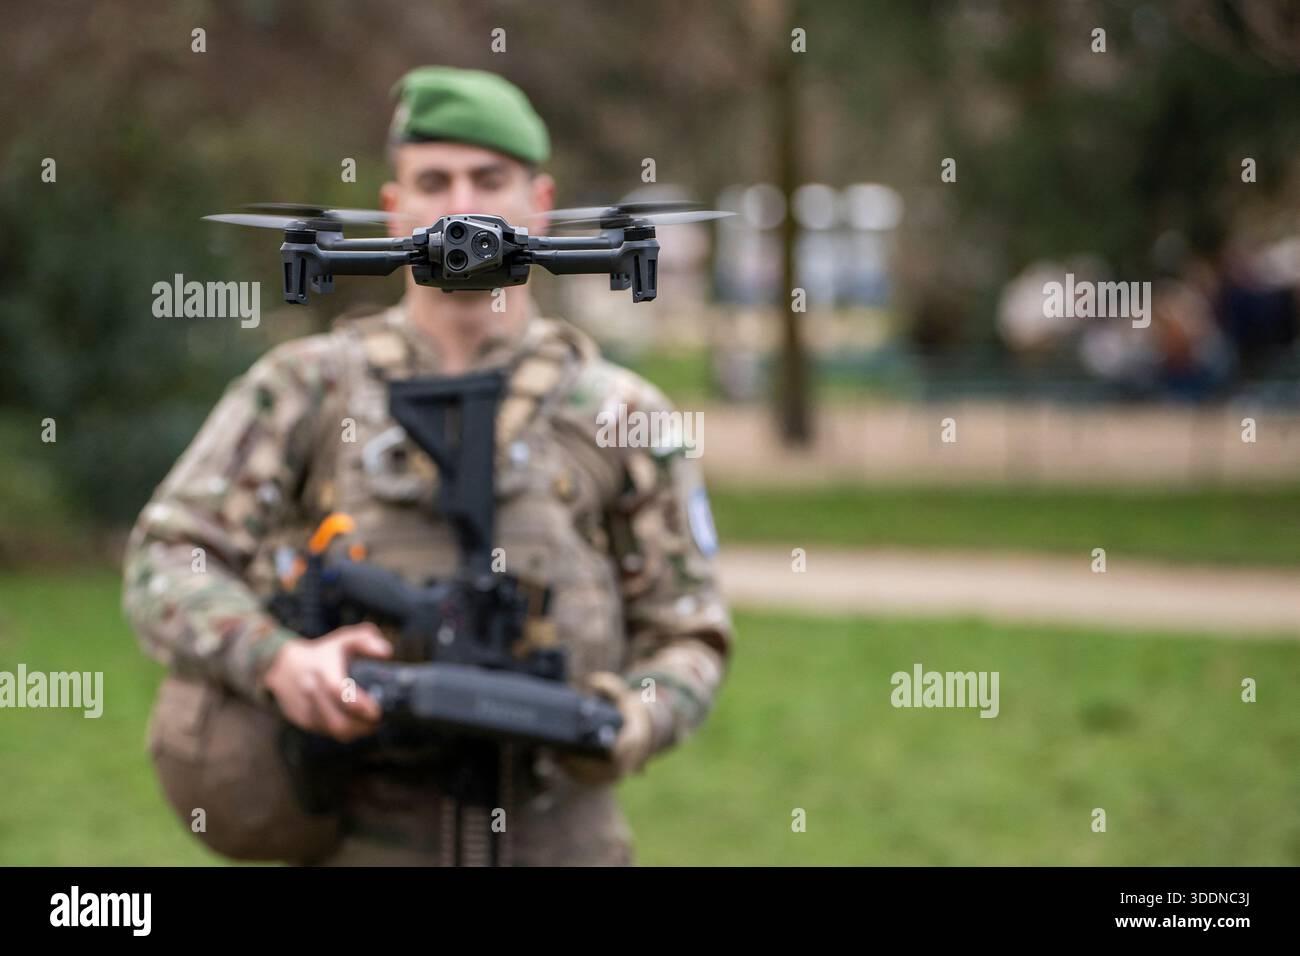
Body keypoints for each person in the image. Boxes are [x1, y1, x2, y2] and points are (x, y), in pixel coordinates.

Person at [122, 66, 733, 866]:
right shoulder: (307, 387)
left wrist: (627, 721)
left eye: (488, 178)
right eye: (434, 180)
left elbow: (690, 630)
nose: (461, 204)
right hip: (364, 832)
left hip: (558, 832)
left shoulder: (619, 413)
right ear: (392, 207)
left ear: (539, 201)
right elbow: (166, 559)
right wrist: (280, 662)